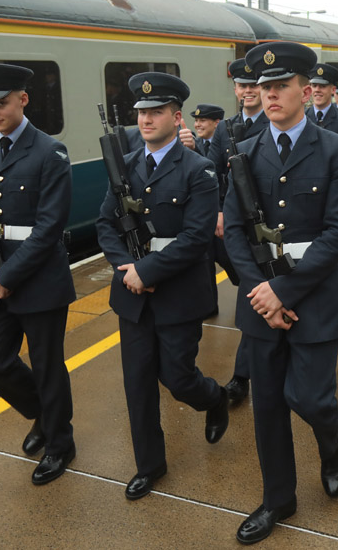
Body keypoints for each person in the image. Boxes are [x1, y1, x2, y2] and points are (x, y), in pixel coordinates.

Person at [222, 41, 338, 545]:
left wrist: (284, 291)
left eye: (281, 86)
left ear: (306, 88)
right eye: (263, 87)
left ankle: (332, 448)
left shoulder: (336, 151)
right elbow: (234, 231)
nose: (271, 94)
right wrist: (261, 291)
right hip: (261, 300)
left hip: (314, 296)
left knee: (311, 399)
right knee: (267, 407)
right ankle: (278, 497)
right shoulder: (244, 152)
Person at [96, 72, 229, 501]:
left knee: (178, 378)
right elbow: (106, 224)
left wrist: (147, 271)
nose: (146, 120)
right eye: (141, 113)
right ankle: (149, 466)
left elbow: (196, 238)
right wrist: (125, 267)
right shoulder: (128, 165)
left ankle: (213, 399)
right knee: (137, 383)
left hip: (178, 294)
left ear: (177, 117)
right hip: (132, 294)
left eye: (155, 112)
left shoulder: (199, 169)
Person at [0, 62, 76, 485]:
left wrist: (7, 276)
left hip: (39, 279)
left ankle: (60, 442)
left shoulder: (50, 152)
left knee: (48, 366)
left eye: (1, 103)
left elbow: (49, 229)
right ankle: (44, 415)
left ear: (22, 100)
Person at [209, 58, 269, 407]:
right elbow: (215, 171)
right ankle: (245, 372)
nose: (247, 91)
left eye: (253, 85)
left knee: (257, 296)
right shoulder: (225, 128)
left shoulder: (271, 123)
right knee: (250, 295)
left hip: (265, 225)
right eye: (242, 86)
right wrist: (219, 210)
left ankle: (242, 375)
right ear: (235, 89)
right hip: (235, 225)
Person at [190, 103, 226, 308]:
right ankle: (209, 305)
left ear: (217, 123)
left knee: (231, 261)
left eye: (203, 120)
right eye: (196, 121)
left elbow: (212, 173)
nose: (198, 124)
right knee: (205, 261)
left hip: (222, 212)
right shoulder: (198, 144)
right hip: (205, 215)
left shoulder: (223, 143)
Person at [305, 63, 338, 134]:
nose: (317, 90)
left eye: (322, 86)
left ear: (333, 90)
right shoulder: (303, 117)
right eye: (314, 86)